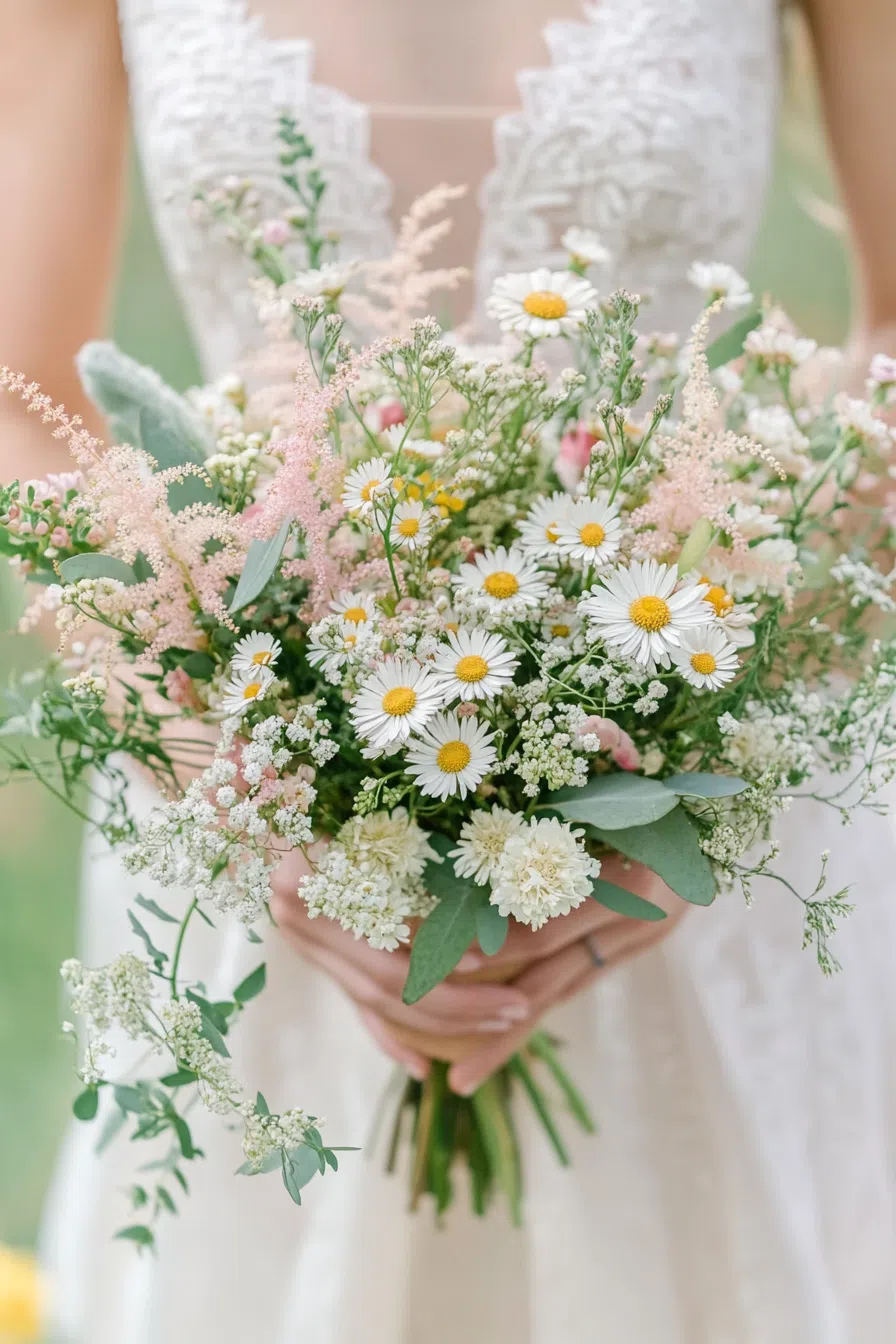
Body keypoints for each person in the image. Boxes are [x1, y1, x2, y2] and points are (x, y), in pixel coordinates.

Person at [2, 1, 896, 1339]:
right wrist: (239, 786)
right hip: (255, 816)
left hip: (704, 812)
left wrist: (693, 777)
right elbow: (21, 408)